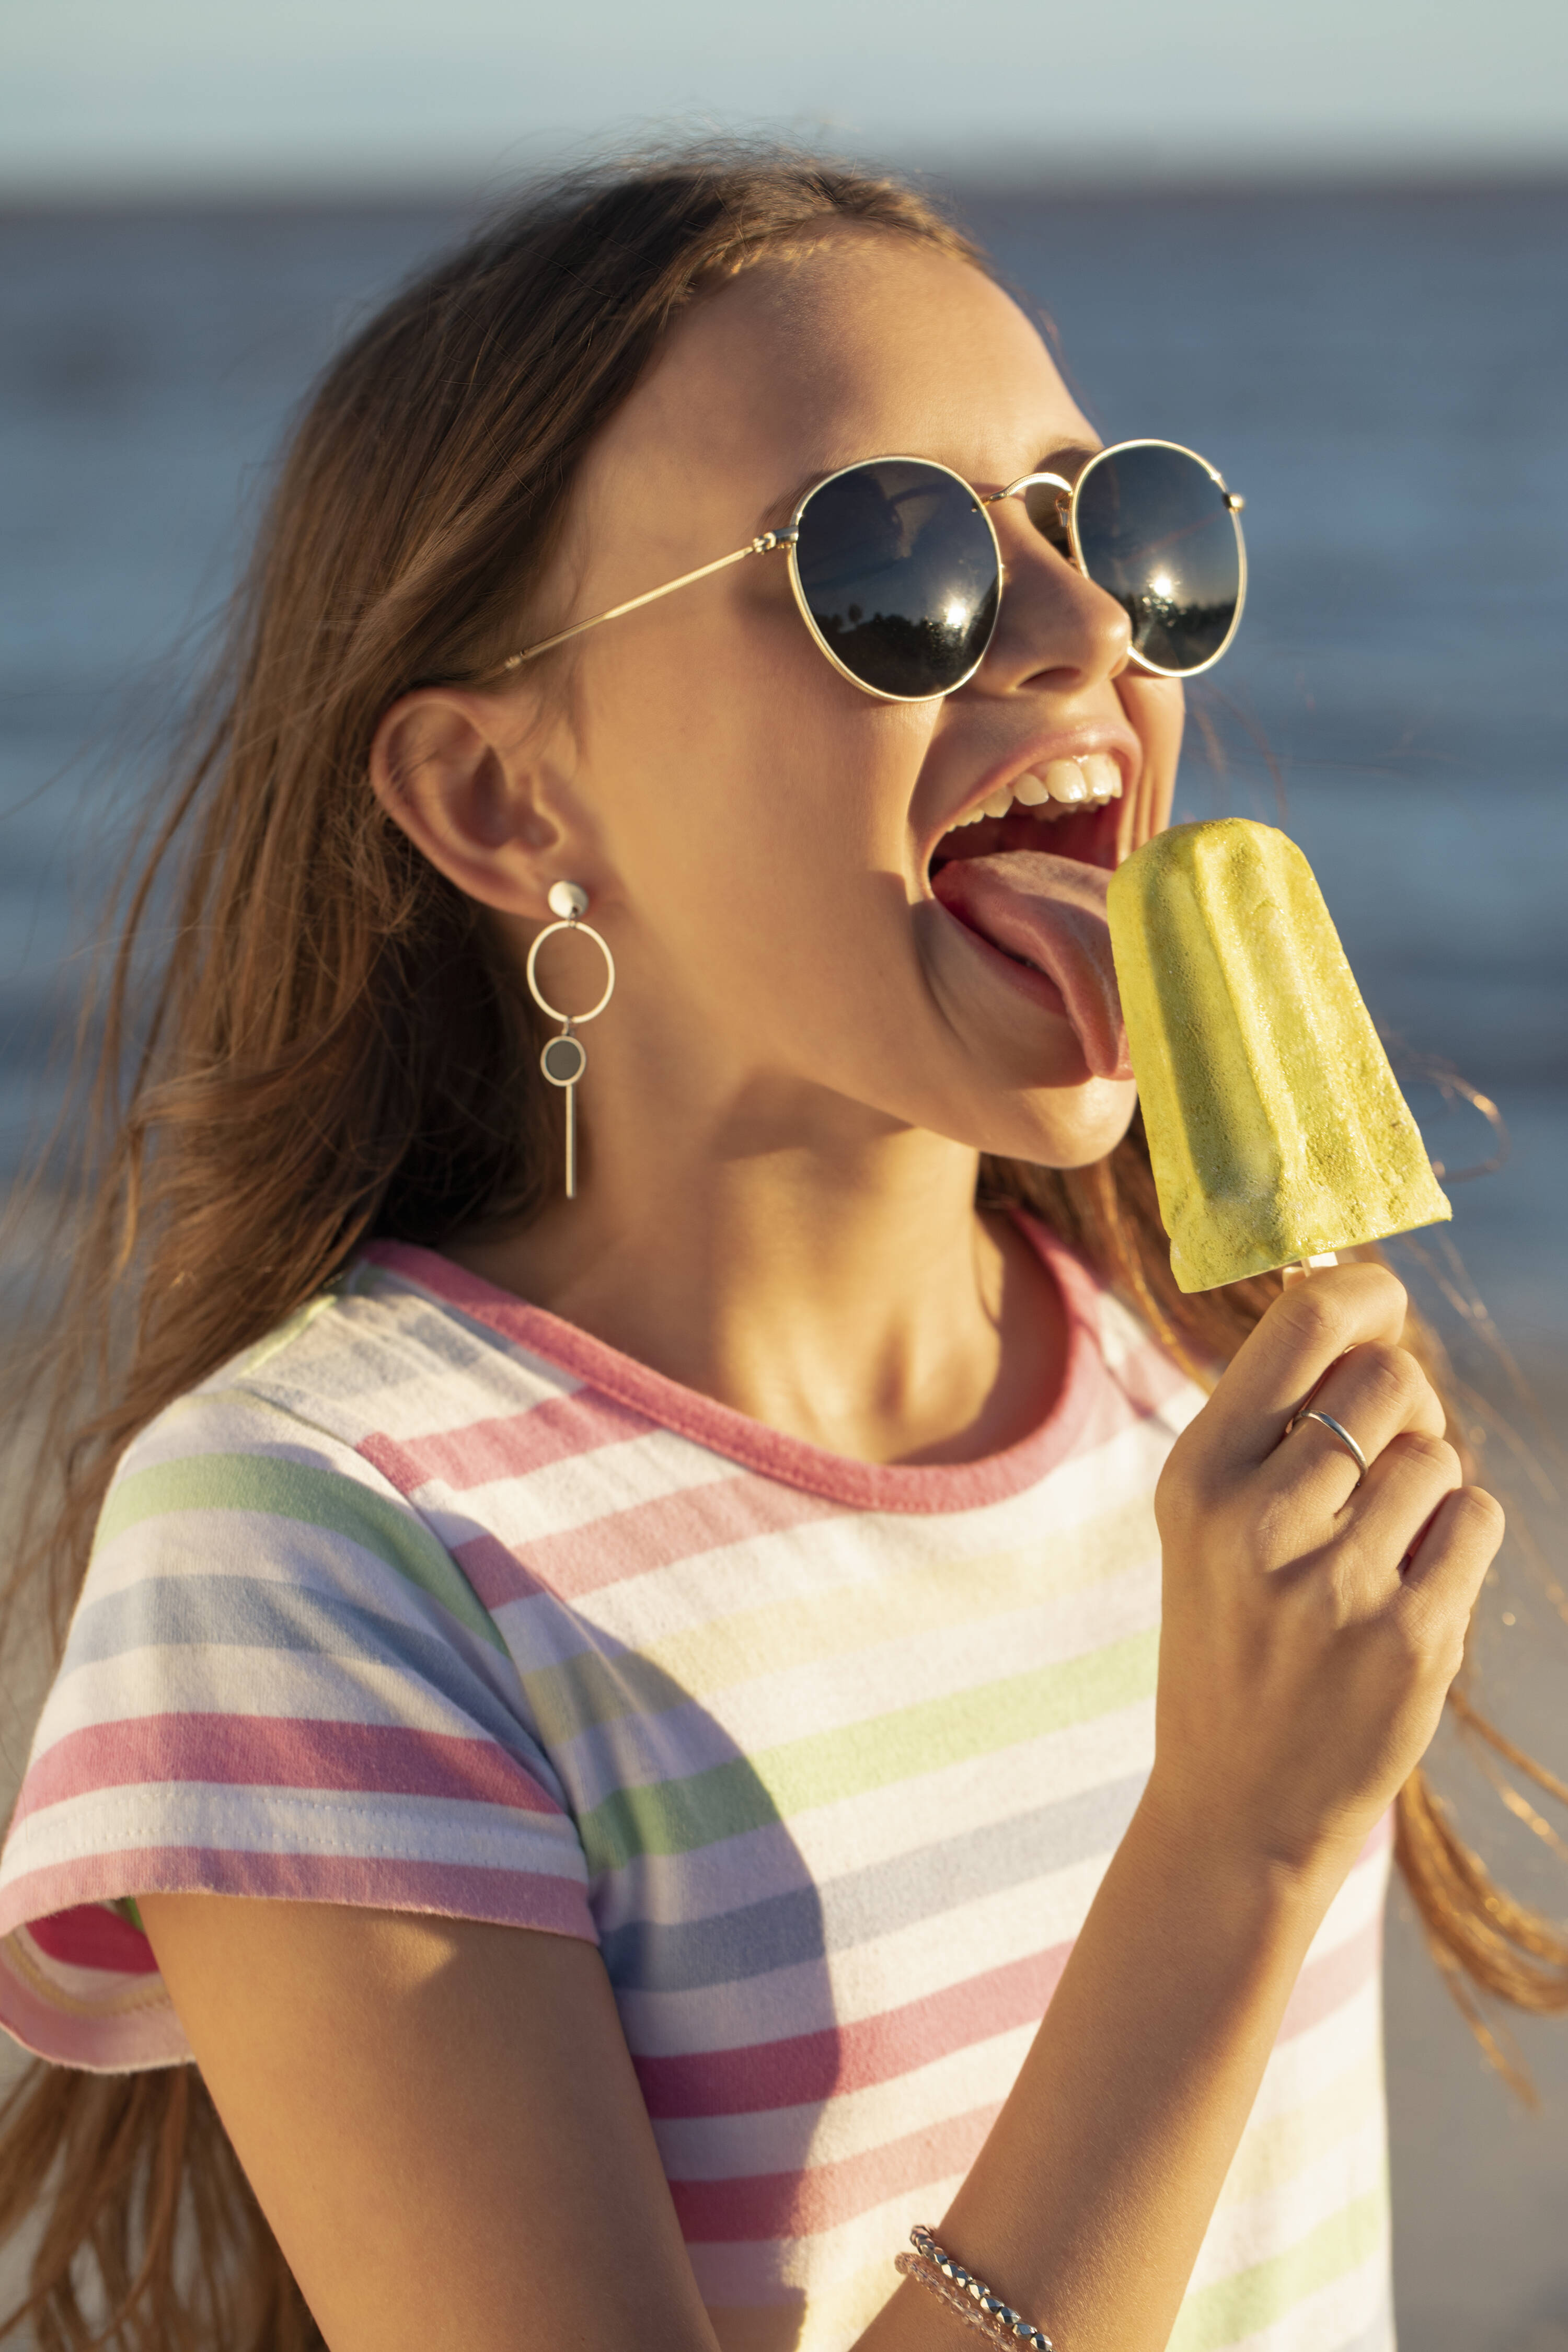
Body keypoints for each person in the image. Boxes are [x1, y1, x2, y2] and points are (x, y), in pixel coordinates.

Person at [0, 148, 1540, 2352]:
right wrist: (1233, 1858)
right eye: (892, 567)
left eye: (1118, 525)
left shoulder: (1168, 1397)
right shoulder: (323, 1560)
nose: (1093, 630)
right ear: (505, 803)